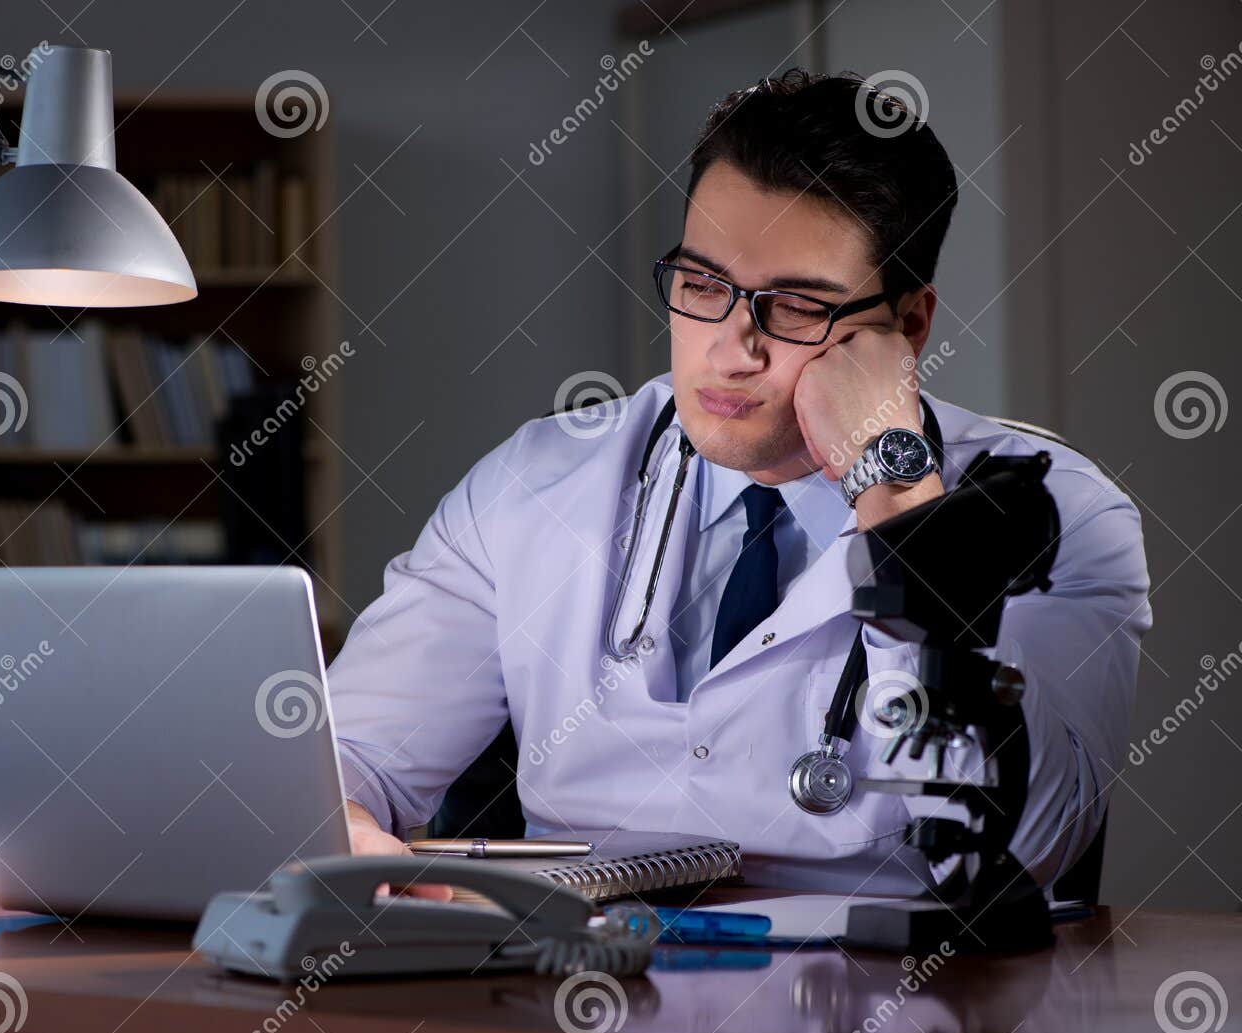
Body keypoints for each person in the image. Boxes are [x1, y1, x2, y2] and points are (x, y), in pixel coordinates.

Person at [326, 69, 1151, 895]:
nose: (731, 347)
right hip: (574, 989)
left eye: (794, 307)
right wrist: (349, 835)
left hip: (892, 1004)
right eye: (702, 286)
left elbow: (1030, 846)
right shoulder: (532, 485)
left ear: (907, 326)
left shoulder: (1054, 512)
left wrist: (893, 489)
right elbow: (338, 764)